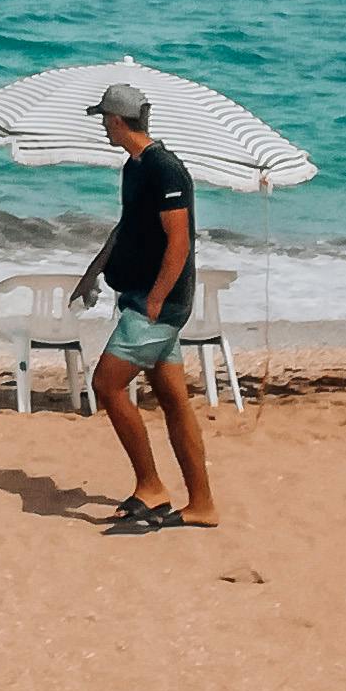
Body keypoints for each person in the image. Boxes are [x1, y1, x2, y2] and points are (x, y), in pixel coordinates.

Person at [71, 79, 217, 530]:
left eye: (105, 120)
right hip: (139, 296)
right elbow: (127, 228)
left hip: (158, 304)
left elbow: (179, 243)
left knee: (107, 385)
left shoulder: (165, 170)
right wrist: (92, 272)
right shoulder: (133, 167)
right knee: (174, 400)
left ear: (117, 120)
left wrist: (155, 300)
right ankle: (203, 505)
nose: (104, 128)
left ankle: (150, 486)